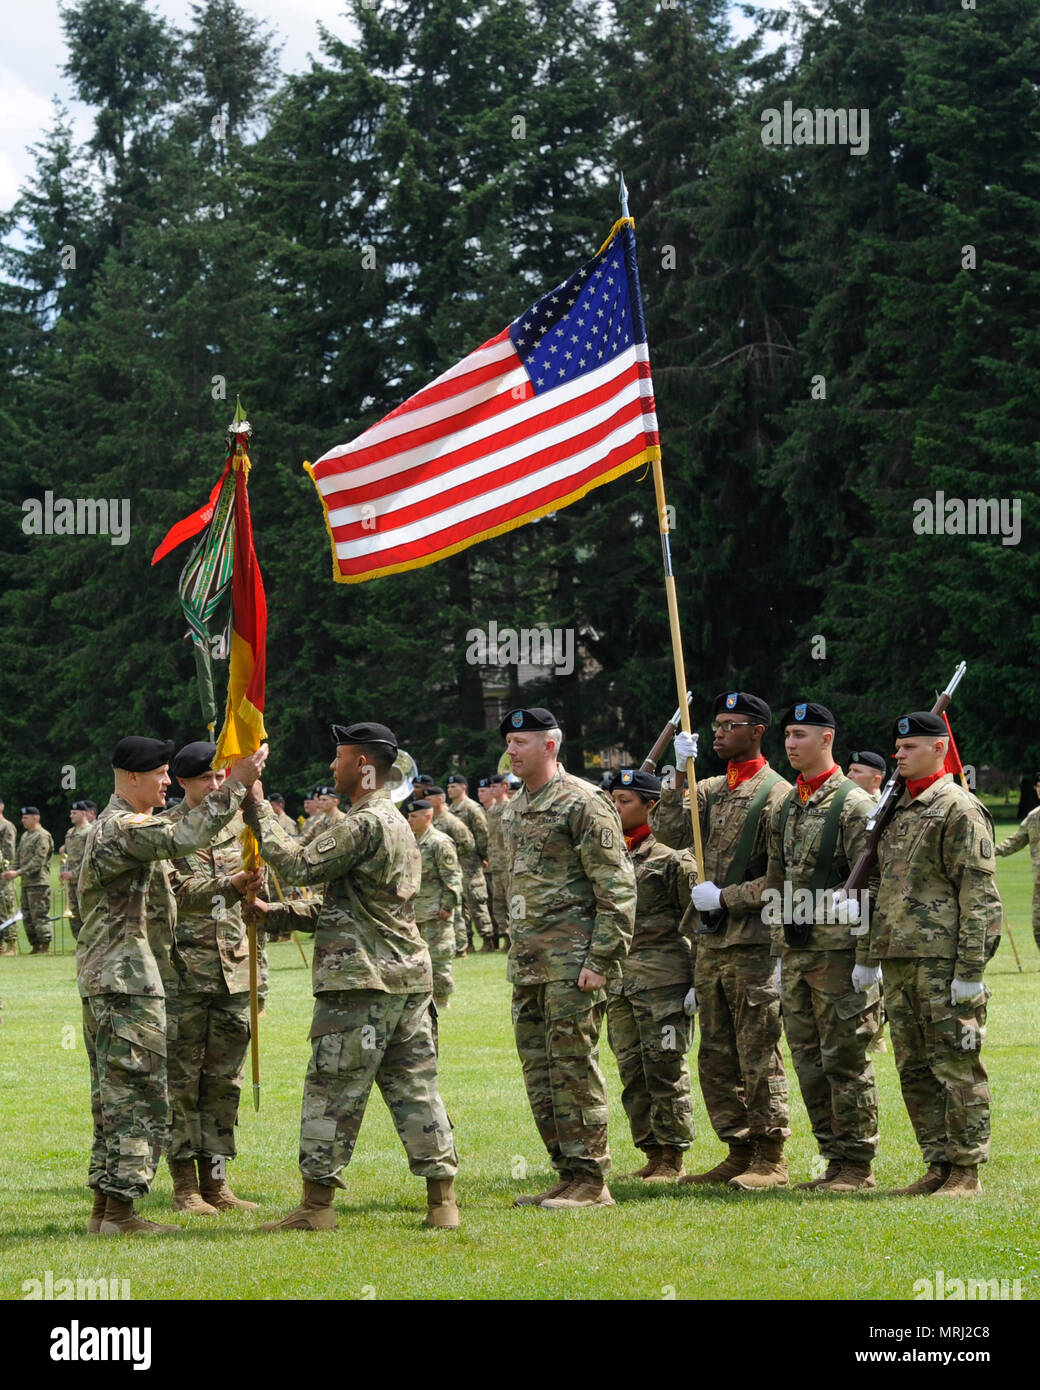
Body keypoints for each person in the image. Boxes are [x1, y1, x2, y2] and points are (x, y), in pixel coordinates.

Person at [241, 721, 460, 1231]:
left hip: (360, 984)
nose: (331, 767)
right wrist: (275, 914)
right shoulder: (399, 823)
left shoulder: (362, 823)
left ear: (363, 766)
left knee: (331, 1091)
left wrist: (253, 802)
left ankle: (316, 1208)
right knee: (416, 1089)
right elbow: (354, 907)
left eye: (339, 757)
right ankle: (442, 1202)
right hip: (407, 979)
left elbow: (296, 864)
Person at [77, 735, 267, 1236]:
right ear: (132, 777)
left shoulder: (124, 826)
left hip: (120, 979)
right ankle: (121, 1214)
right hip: (125, 982)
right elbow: (183, 837)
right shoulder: (123, 827)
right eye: (161, 774)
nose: (167, 781)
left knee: (113, 1099)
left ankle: (105, 1212)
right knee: (136, 1099)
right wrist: (240, 781)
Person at [651, 691, 792, 1189]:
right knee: (715, 1053)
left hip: (754, 943)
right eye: (716, 725)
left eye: (731, 724)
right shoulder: (708, 787)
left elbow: (782, 881)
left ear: (757, 730)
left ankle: (771, 1156)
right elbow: (666, 831)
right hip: (710, 945)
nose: (719, 733)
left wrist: (727, 897)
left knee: (758, 1050)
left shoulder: (778, 795)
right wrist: (676, 774)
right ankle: (738, 1147)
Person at [859, 712, 1002, 1197]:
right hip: (900, 960)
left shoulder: (958, 808)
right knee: (915, 1068)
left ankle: (966, 1170)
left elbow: (978, 895)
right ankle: (938, 1164)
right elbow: (878, 888)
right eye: (897, 748)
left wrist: (971, 971)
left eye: (911, 747)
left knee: (956, 1064)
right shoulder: (897, 808)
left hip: (944, 963)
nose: (899, 755)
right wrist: (867, 955)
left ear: (940, 748)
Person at [501, 708, 635, 1210]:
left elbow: (618, 888)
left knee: (574, 1069)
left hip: (573, 965)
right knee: (540, 1073)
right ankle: (566, 1172)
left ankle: (593, 1181)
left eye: (520, 742)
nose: (512, 751)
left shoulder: (583, 802)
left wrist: (601, 958)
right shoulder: (514, 808)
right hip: (530, 966)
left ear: (549, 745)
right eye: (510, 743)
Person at [765, 702, 880, 1191]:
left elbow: (876, 882)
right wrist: (776, 950)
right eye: (787, 734)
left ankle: (857, 1164)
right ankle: (833, 1159)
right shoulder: (787, 803)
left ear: (826, 739)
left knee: (845, 1058)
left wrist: (868, 957)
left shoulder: (855, 804)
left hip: (838, 956)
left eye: (800, 735)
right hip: (796, 952)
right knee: (808, 1060)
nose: (790, 743)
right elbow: (777, 875)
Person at [164, 741, 269, 1216]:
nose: (215, 785)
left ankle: (218, 1183)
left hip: (233, 975)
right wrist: (230, 884)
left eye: (221, 777)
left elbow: (254, 914)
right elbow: (179, 893)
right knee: (181, 1083)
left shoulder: (239, 826)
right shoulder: (165, 832)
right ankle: (185, 1186)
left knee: (224, 1083)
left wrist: (258, 978)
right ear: (182, 783)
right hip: (185, 976)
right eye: (205, 778)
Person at [606, 769, 695, 1182]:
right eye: (613, 799)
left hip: (663, 980)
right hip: (621, 982)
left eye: (624, 800)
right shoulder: (608, 856)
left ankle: (672, 1156)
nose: (615, 807)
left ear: (650, 807)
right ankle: (652, 1150)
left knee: (665, 1067)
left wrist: (697, 981)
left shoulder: (672, 859)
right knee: (632, 1071)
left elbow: (694, 923)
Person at [407, 798, 462, 1008]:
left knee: (439, 958)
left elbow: (452, 877)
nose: (409, 819)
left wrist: (447, 906)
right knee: (415, 960)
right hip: (415, 911)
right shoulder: (410, 841)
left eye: (413, 816)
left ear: (427, 817)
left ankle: (441, 1001)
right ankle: (421, 999)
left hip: (436, 911)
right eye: (409, 816)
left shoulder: (440, 842)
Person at [446, 773, 495, 952]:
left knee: (477, 900)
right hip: (456, 864)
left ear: (463, 788)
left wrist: (484, 856)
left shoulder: (472, 808)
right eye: (449, 787)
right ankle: (468, 942)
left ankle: (488, 939)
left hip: (472, 863)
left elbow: (482, 833)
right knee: (462, 904)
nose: (450, 790)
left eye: (454, 787)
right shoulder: (450, 810)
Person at [426, 786, 477, 957]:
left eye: (430, 798)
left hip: (451, 870)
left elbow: (468, 843)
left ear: (440, 799)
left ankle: (461, 946)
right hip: (434, 873)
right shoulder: (430, 821)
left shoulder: (451, 821)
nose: (427, 802)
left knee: (456, 909)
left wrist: (454, 858)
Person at [995, 771, 1040, 950]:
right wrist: (990, 852)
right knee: (1038, 928)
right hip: (1039, 884)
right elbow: (1015, 841)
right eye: (1038, 787)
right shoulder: (1034, 817)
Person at [2, 807, 54, 953]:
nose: (22, 820)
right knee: (27, 916)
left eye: (26, 818)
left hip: (39, 882)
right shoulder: (25, 836)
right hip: (26, 882)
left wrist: (17, 872)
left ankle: (45, 945)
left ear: (35, 818)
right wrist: (10, 871)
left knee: (39, 914)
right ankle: (35, 945)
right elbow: (18, 857)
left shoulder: (42, 835)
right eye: (23, 817)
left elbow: (38, 860)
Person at [484, 774, 511, 950]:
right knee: (498, 903)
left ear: (505, 787)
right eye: (491, 787)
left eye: (496, 786)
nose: (492, 789)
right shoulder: (491, 811)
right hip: (495, 864)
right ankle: (504, 936)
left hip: (508, 864)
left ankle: (512, 937)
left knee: (512, 901)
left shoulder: (511, 808)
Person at [60, 802, 93, 940]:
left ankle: (90, 943)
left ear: (83, 814)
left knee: (86, 912)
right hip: (71, 880)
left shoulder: (90, 831)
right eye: (71, 813)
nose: (71, 815)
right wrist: (63, 871)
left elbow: (89, 858)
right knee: (73, 914)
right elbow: (66, 856)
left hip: (85, 879)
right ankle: (80, 943)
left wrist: (74, 873)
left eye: (74, 813)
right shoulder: (70, 833)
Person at [0, 796, 17, 953]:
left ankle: (11, 943)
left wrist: (6, 868)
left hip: (2, 874)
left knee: (6, 909)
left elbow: (9, 852)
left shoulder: (6, 826)